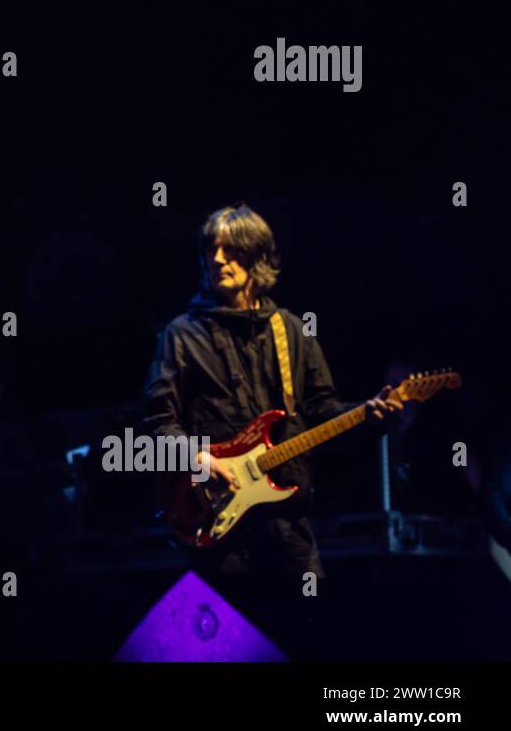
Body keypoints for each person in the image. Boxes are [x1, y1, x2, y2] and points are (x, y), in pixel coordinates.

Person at [140, 204, 399, 654]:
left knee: (310, 636)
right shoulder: (180, 335)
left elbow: (321, 414)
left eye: (230, 250)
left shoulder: (292, 331)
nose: (217, 259)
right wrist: (196, 457)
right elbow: (157, 422)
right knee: (230, 647)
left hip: (286, 524)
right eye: (210, 250)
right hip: (218, 525)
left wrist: (368, 417)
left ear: (257, 256)